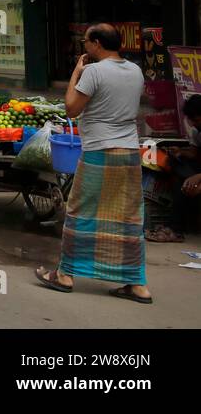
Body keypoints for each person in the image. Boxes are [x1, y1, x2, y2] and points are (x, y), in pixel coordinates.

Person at [36, 23, 152, 303]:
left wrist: (77, 71)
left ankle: (65, 275)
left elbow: (72, 108)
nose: (84, 46)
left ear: (97, 43)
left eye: (86, 42)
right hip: (128, 153)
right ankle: (137, 284)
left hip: (99, 150)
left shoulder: (94, 72)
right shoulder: (135, 70)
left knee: (81, 213)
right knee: (128, 217)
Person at [147, 94, 201, 242]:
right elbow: (195, 153)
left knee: (183, 182)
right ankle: (176, 228)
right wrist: (180, 152)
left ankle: (176, 228)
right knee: (175, 166)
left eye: (197, 120)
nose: (195, 124)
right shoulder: (197, 131)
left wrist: (197, 177)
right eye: (193, 121)